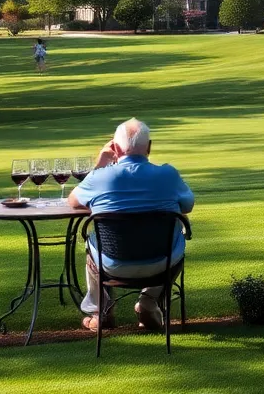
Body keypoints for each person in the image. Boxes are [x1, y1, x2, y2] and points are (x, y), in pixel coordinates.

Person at [67, 118, 195, 332]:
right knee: (175, 236)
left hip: (111, 264)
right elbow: (187, 206)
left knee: (92, 243)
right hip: (161, 263)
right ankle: (149, 301)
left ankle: (101, 312)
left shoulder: (100, 177)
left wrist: (100, 164)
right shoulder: (168, 174)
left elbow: (73, 201)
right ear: (150, 148)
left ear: (115, 148)